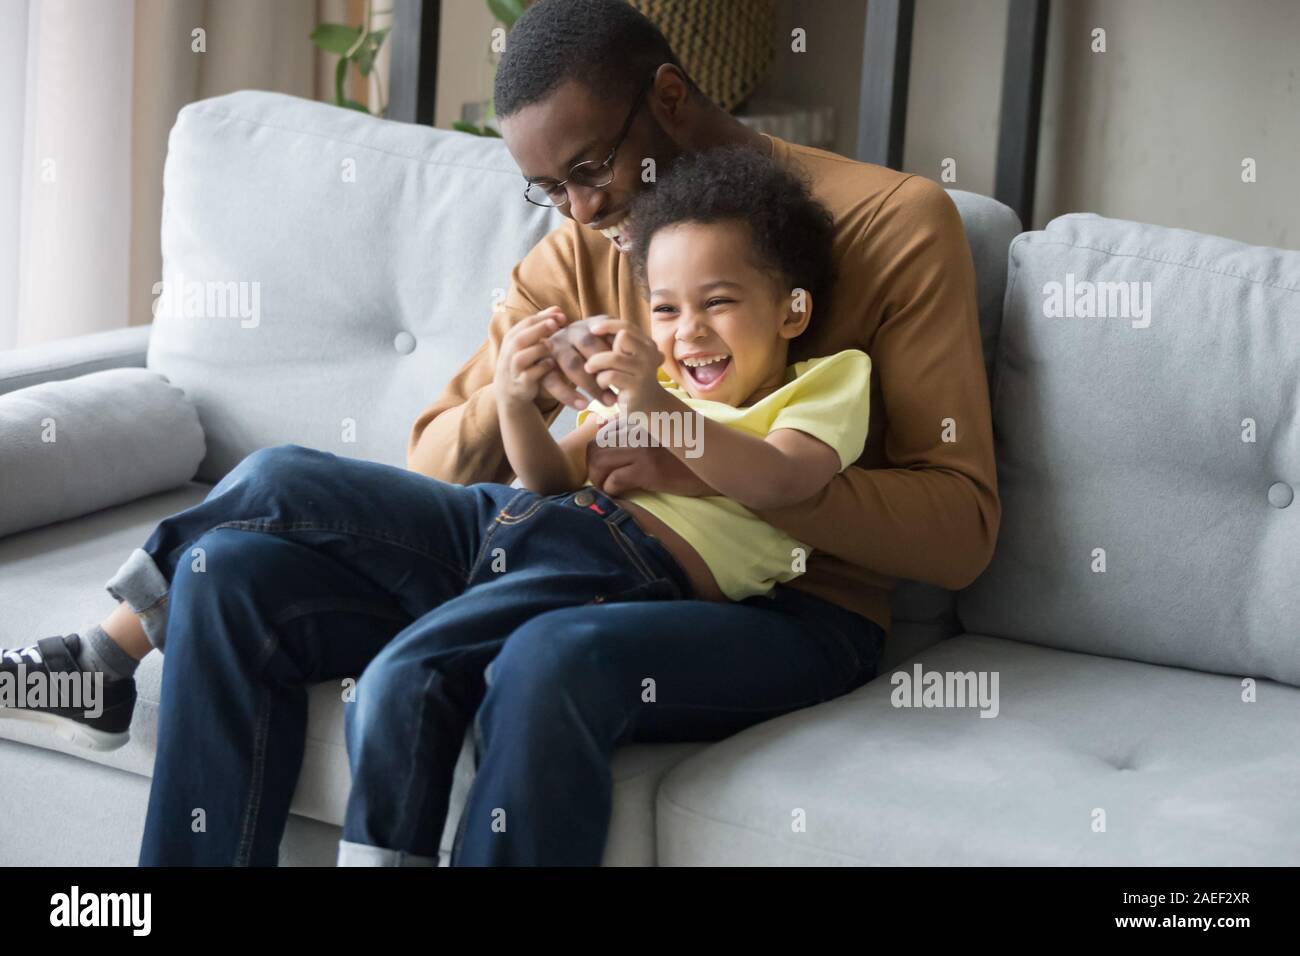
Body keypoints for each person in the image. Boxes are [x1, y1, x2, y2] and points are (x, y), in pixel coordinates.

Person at [1, 0, 997, 866]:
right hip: (554, 545)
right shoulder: (574, 249)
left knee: (550, 656)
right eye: (549, 189)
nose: (578, 210)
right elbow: (437, 463)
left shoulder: (895, 222)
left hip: (782, 608)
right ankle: (107, 678)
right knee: (229, 572)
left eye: (592, 168)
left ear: (670, 97)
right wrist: (516, 393)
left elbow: (958, 532)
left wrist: (706, 457)